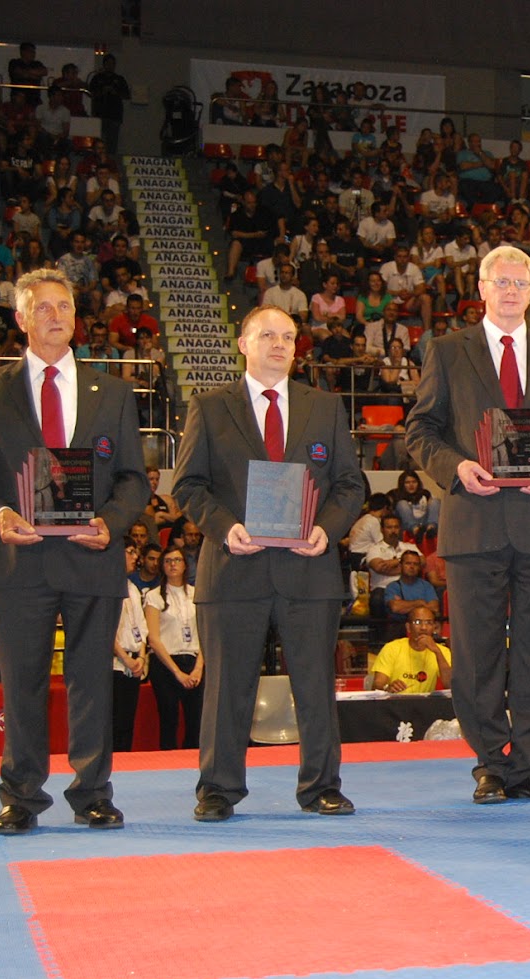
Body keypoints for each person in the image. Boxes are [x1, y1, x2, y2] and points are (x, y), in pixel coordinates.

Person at [0, 267, 148, 833]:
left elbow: (134, 479)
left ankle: (92, 792)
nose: (56, 316)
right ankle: (20, 797)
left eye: (64, 306)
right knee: (23, 684)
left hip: (92, 555)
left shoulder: (112, 390)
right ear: (21, 318)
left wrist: (111, 523)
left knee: (93, 681)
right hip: (19, 560)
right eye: (43, 308)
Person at [404, 246, 530, 805]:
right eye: (500, 281)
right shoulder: (446, 351)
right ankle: (489, 762)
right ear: (481, 289)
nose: (511, 290)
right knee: (478, 653)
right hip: (474, 525)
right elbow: (420, 432)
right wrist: (455, 469)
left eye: (521, 281)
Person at [172, 305, 368, 821]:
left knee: (314, 686)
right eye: (267, 335)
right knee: (227, 688)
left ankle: (322, 785)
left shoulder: (323, 407)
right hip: (235, 566)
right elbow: (188, 485)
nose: (279, 345)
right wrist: (223, 527)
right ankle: (217, 789)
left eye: (288, 336)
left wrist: (326, 528)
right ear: (243, 343)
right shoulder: (211, 408)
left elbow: (351, 484)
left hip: (309, 568)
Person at [144, 546, 203, 750]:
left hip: (194, 661)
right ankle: (167, 764)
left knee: (195, 721)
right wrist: (177, 672)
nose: (173, 564)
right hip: (165, 664)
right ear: (162, 566)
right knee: (169, 719)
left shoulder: (197, 594)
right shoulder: (154, 596)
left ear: (185, 564)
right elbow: (153, 638)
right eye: (168, 561)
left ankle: (194, 765)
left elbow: (205, 635)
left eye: (177, 560)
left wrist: (198, 668)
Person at [111, 542, 148, 753]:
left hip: (134, 664)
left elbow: (142, 629)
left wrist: (141, 658)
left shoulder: (132, 588)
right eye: (130, 552)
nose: (136, 557)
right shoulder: (107, 586)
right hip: (115, 664)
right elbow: (106, 631)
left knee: (126, 724)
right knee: (113, 723)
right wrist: (126, 659)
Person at [371, 605, 454, 693]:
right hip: (394, 702)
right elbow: (377, 685)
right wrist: (387, 688)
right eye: (418, 622)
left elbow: (450, 685)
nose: (423, 627)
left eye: (429, 622)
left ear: (434, 627)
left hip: (425, 704)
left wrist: (437, 652)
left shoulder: (442, 651)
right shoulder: (392, 648)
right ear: (408, 627)